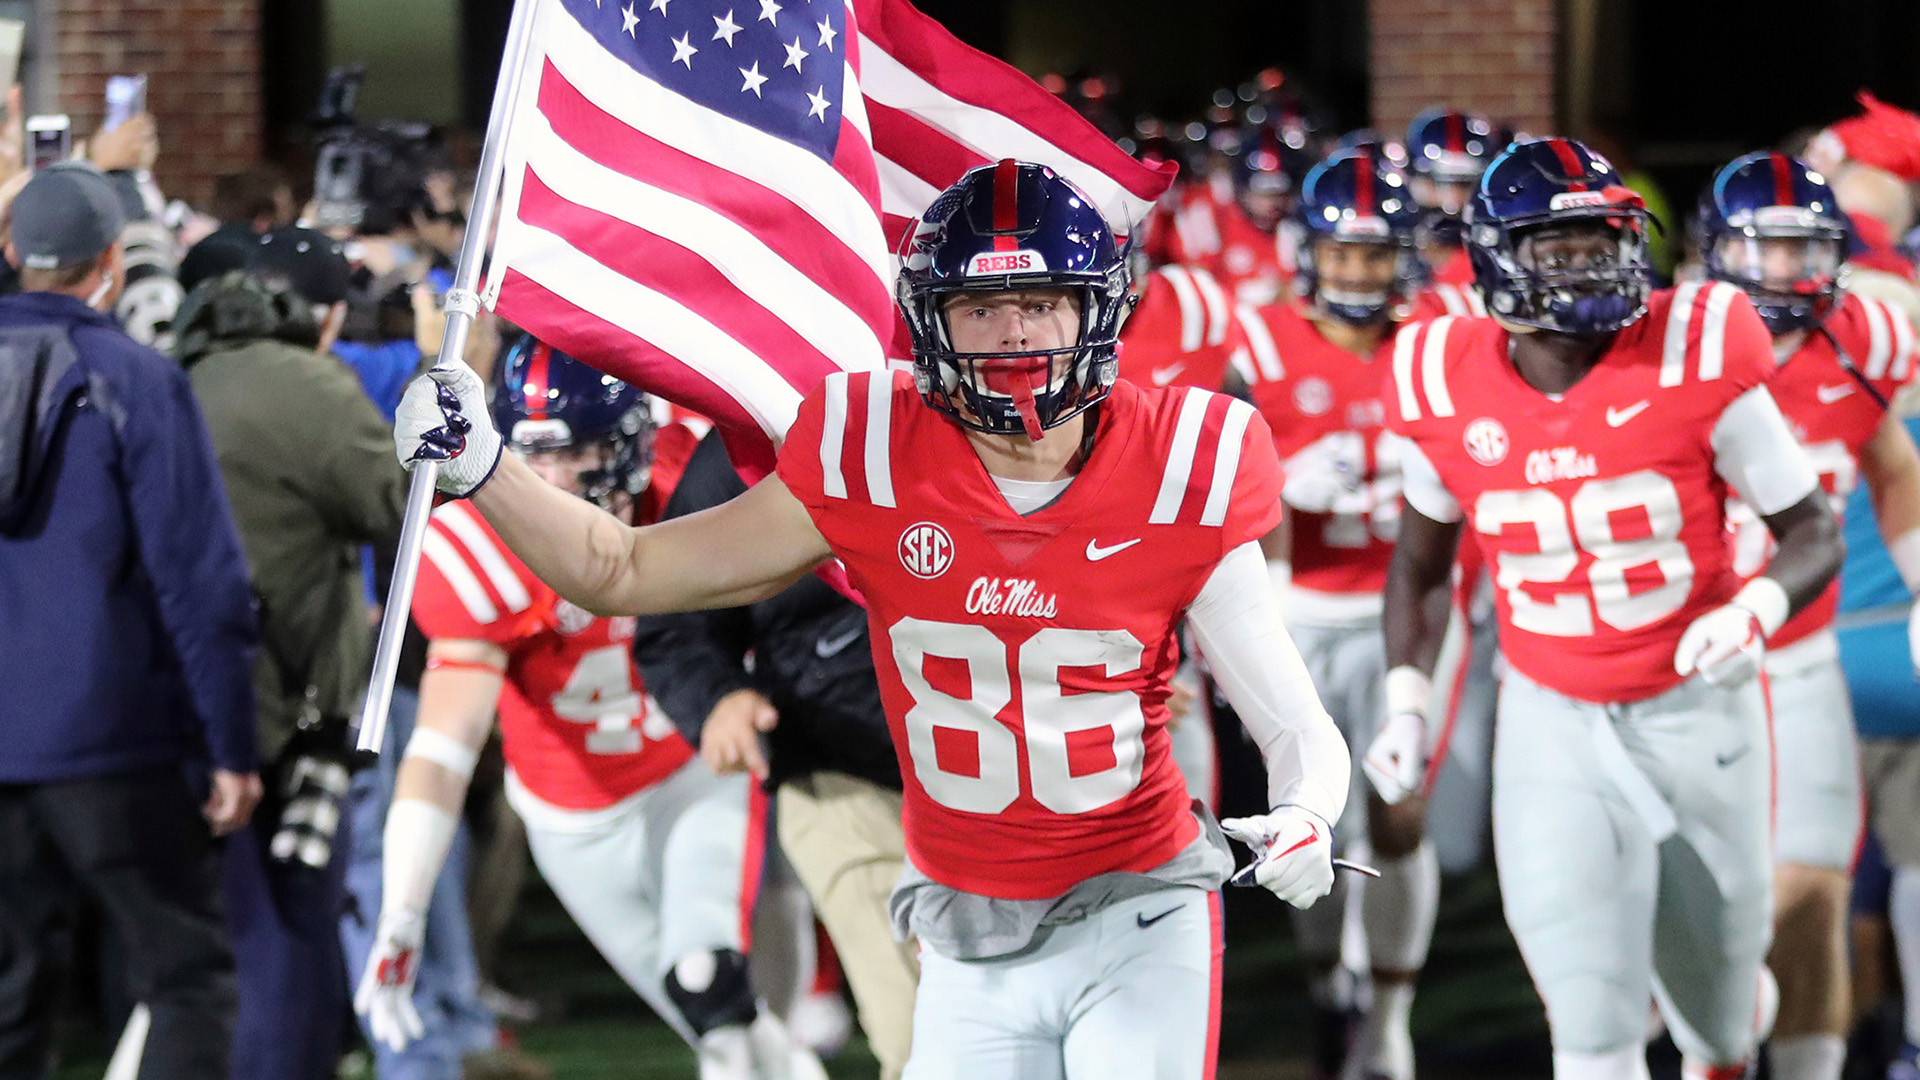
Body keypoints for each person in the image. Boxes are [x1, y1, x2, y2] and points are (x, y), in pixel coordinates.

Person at [392, 158, 1352, 1079]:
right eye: (981, 308)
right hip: (963, 929)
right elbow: (624, 567)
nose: (1015, 334)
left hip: (1138, 907)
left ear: (1095, 310)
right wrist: (486, 467)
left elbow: (1293, 719)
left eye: (1040, 302)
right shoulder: (870, 450)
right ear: (931, 324)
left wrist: (1308, 810)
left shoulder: (1187, 456)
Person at [1381, 138, 1842, 1080]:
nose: (1593, 264)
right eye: (1561, 246)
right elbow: (1423, 567)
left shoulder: (1696, 347)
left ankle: (1722, 1042)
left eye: (1606, 239)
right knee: (1590, 1028)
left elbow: (1813, 529)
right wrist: (1406, 703)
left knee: (1720, 1019)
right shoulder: (1438, 376)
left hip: (1699, 713)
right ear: (1500, 259)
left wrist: (1753, 608)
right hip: (1551, 719)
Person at [363, 338, 817, 1080]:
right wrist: (403, 909)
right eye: (537, 454)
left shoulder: (686, 479)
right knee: (729, 1031)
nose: (557, 478)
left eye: (584, 451)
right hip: (572, 818)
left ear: (631, 439)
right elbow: (445, 749)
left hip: (697, 769)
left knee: (710, 984)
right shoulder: (485, 551)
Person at [0, 162, 262, 1079]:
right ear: (110, 260)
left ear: (9, 251)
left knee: (8, 1002)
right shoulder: (138, 380)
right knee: (187, 981)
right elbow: (200, 581)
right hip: (113, 741)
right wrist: (233, 743)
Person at [1697, 150, 1920, 1080]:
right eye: (1766, 249)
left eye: (1804, 250)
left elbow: (1895, 469)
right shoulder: (1674, 342)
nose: (1787, 273)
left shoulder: (1864, 340)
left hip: (1804, 654)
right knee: (1701, 903)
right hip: (1680, 664)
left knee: (1817, 887)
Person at [171, 227, 412, 1079]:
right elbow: (399, 508)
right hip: (281, 713)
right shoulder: (306, 385)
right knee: (287, 951)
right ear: (330, 314)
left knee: (211, 956)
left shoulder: (173, 372)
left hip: (170, 707)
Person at [1233, 147, 1436, 1080]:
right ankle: (1326, 989)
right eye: (1342, 253)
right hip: (1297, 612)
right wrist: (1278, 487)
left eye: (1375, 253)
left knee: (1398, 814)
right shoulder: (1259, 344)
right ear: (1310, 253)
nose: (1358, 272)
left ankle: (1389, 1021)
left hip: (1408, 613)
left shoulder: (1437, 339)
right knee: (1300, 821)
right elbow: (1211, 483)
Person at [632, 429, 918, 1080]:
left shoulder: (1010, 406)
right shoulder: (750, 442)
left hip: (1025, 766)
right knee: (926, 1032)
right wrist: (717, 698)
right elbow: (673, 617)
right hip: (845, 764)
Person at [1829, 387, 1920, 1080]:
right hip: (1901, 663)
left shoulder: (1785, 415)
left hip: (1809, 666)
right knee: (1915, 870)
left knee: (1812, 876)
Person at [1404, 106, 1505, 315]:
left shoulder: (1500, 259)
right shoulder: (1389, 257)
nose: (1453, 202)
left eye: (1464, 185)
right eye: (1436, 184)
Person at [1209, 123, 1311, 306]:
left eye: (1280, 194)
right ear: (1242, 191)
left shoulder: (1298, 230)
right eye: (1262, 194)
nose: (1271, 204)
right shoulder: (1217, 222)